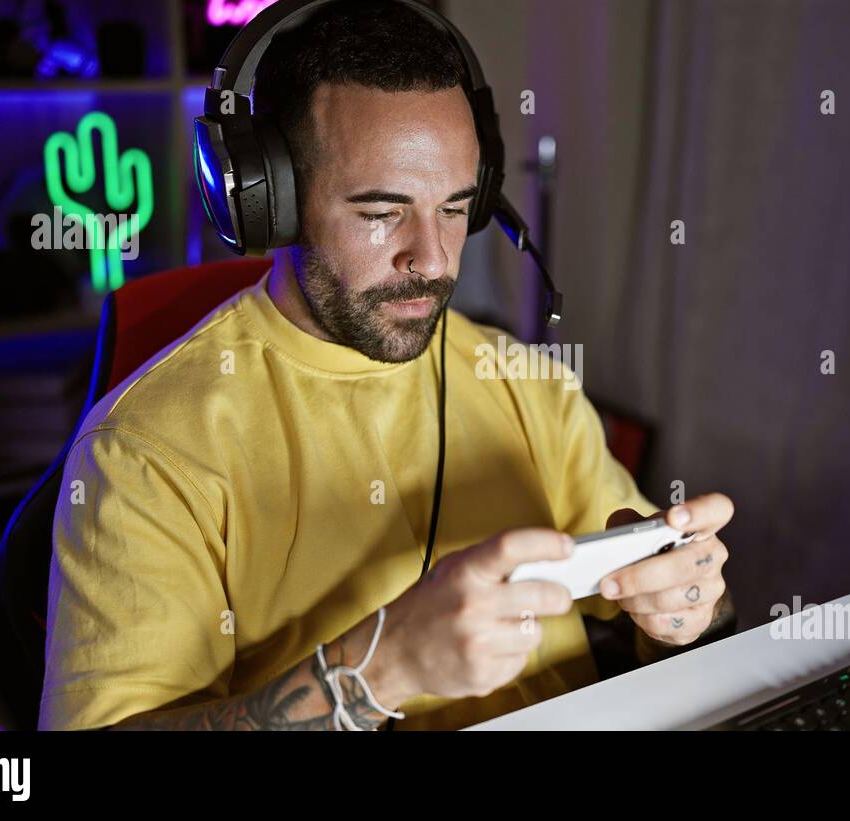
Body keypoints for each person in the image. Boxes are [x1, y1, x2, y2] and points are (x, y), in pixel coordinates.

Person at [40, 0, 735, 731]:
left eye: (455, 208)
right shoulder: (145, 449)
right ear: (271, 200)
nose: (432, 260)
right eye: (381, 213)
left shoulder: (526, 384)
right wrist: (381, 670)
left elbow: (665, 624)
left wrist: (685, 610)